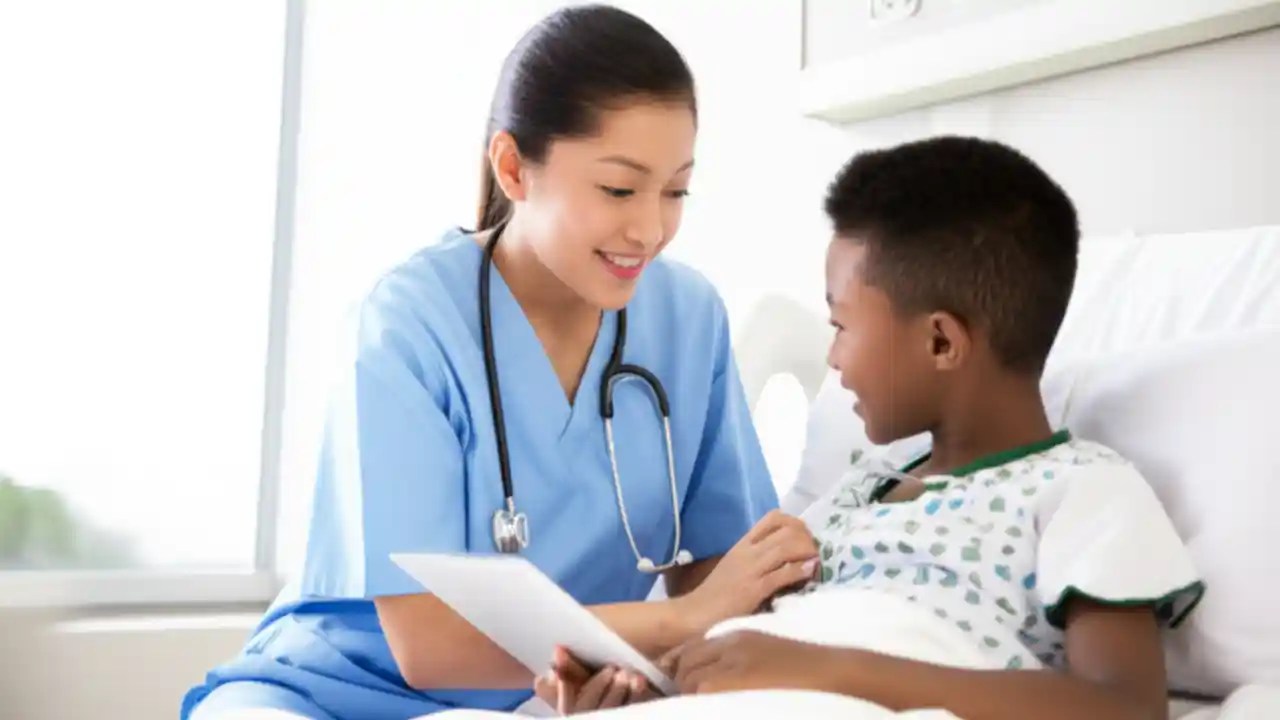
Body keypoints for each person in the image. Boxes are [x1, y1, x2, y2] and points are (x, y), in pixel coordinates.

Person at [181, 6, 817, 719]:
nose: (650, 229)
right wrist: (676, 622)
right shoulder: (410, 322)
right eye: (618, 189)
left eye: (675, 191)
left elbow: (724, 573)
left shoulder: (689, 321)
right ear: (514, 168)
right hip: (330, 688)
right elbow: (429, 647)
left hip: (540, 697)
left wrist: (648, 664)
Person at [551, 137, 1205, 719]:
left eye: (841, 325)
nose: (832, 356)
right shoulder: (856, 491)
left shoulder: (1082, 491)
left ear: (942, 342)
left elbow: (1124, 706)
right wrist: (645, 689)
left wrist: (830, 669)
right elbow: (753, 657)